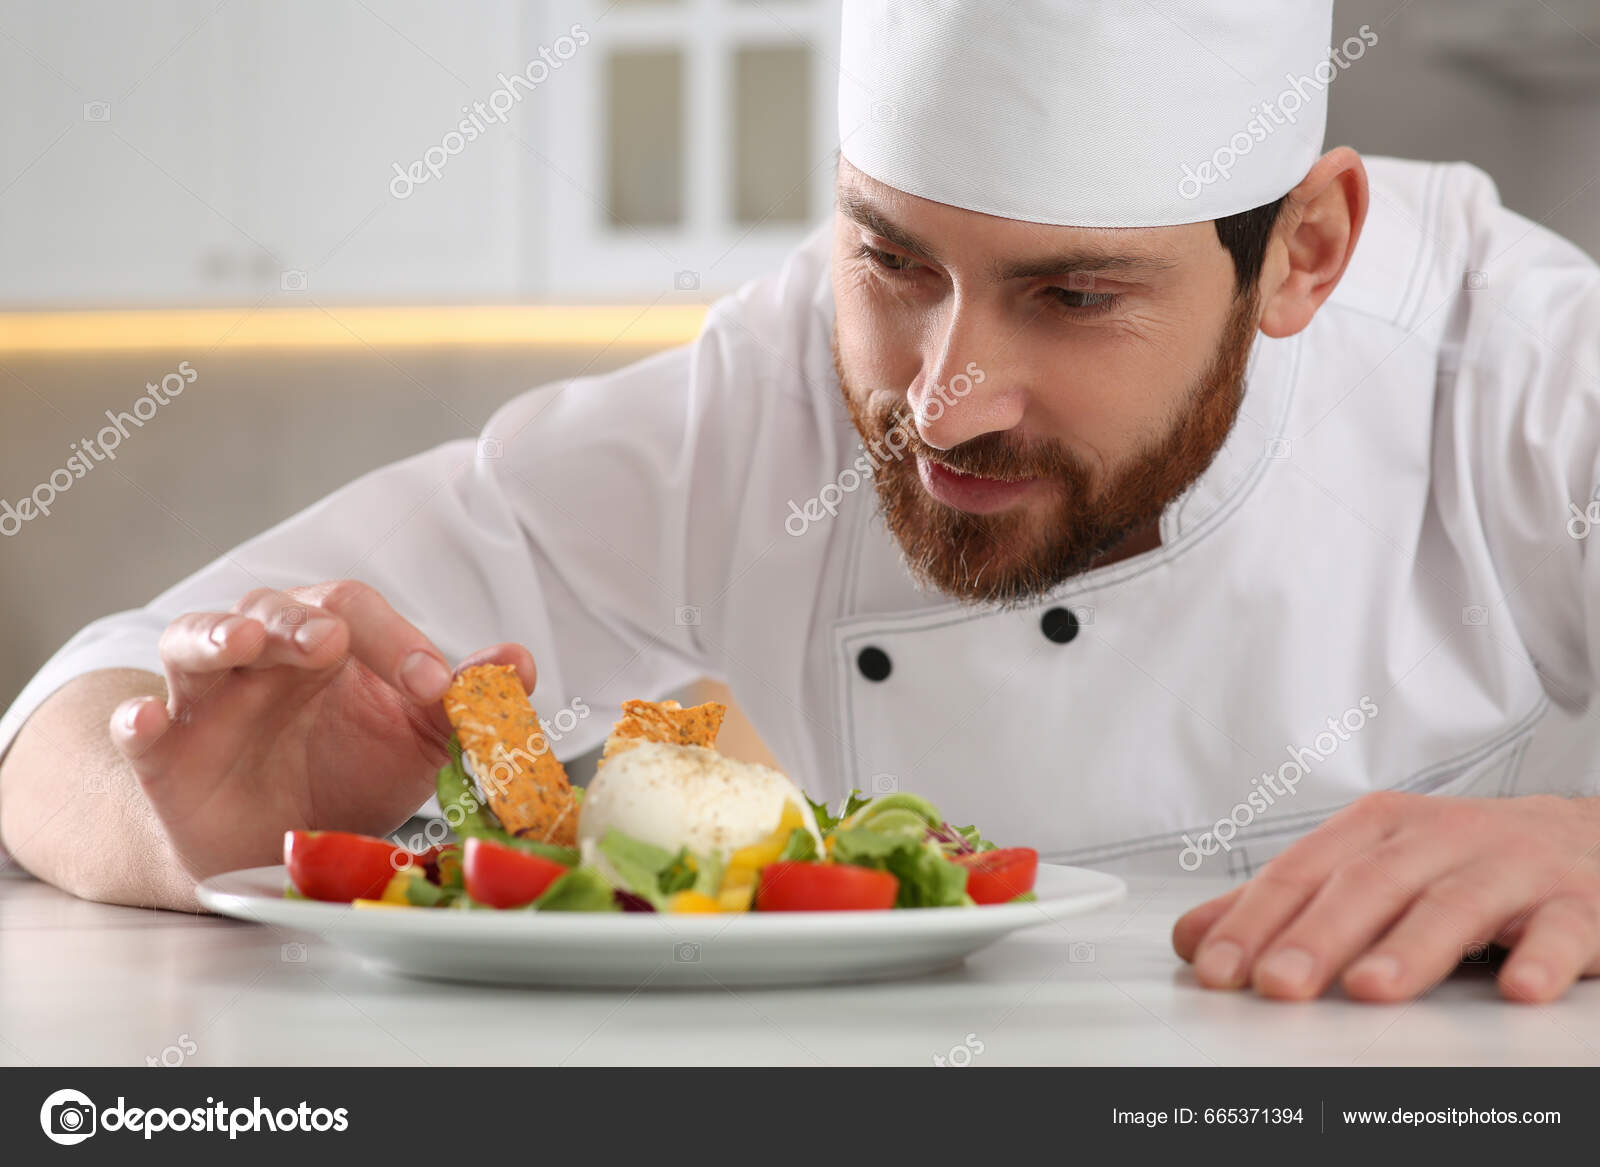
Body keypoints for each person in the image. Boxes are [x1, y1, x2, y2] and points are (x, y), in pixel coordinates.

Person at [4, 0, 1599, 1005]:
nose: (942, 398)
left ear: (1306, 252)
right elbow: (64, 716)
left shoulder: (1513, 371)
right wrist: (183, 823)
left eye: (1075, 297)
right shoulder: (740, 417)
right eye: (892, 263)